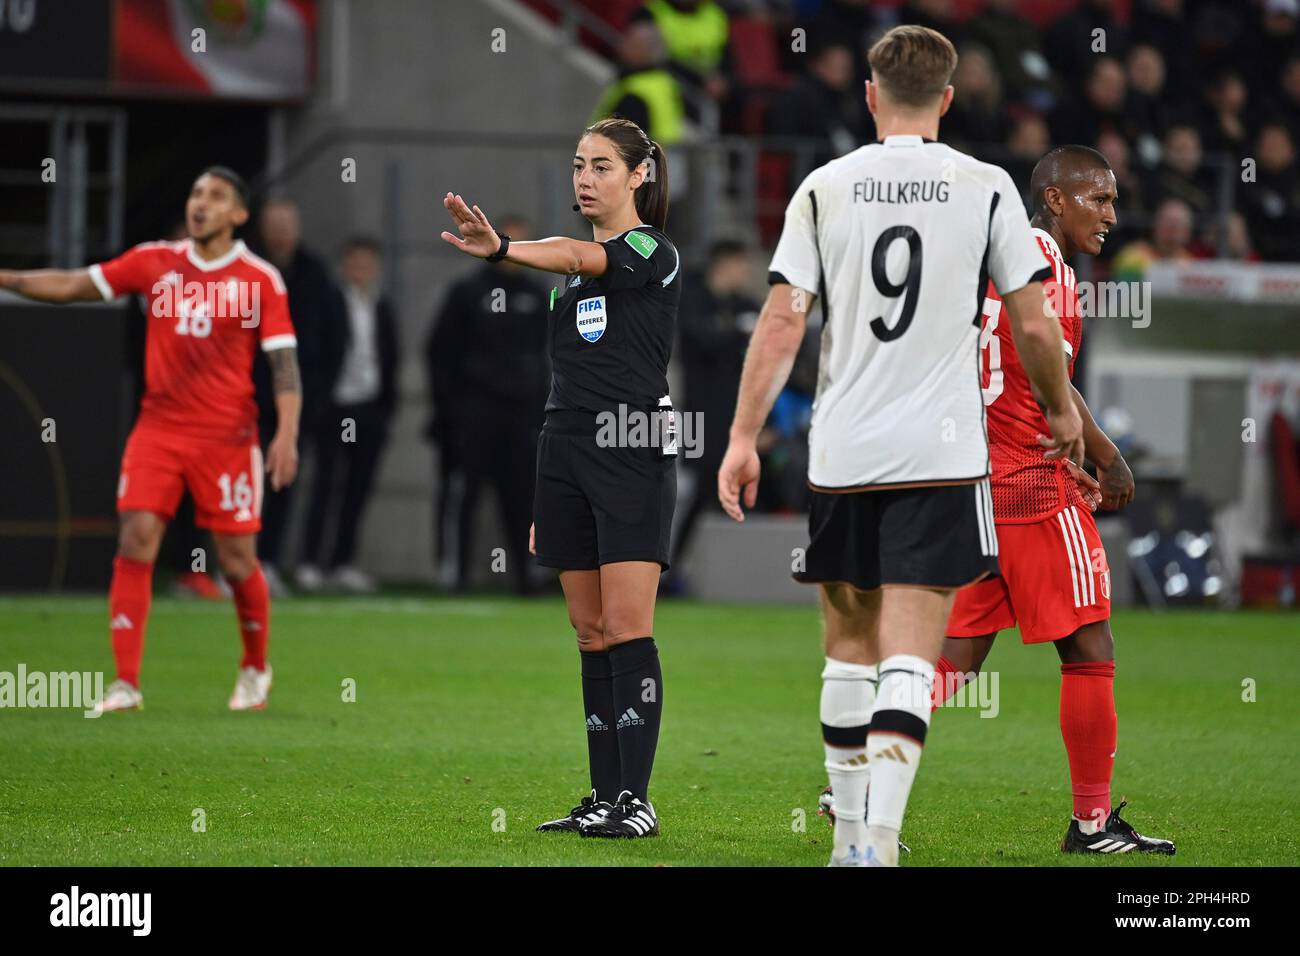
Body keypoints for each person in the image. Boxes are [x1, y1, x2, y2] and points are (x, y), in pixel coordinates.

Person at [717, 25, 1083, 867]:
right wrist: (1061, 410)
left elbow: (781, 320)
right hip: (943, 453)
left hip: (843, 449)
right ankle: (877, 843)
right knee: (911, 657)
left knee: (846, 650)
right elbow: (1031, 321)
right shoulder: (988, 187)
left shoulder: (823, 187)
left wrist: (742, 437)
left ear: (872, 95)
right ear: (948, 99)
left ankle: (846, 836)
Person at [440, 117, 680, 838]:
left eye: (603, 166)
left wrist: (506, 249)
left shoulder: (650, 250)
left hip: (630, 444)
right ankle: (605, 795)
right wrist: (553, 475)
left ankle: (637, 799)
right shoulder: (568, 278)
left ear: (639, 176)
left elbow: (580, 254)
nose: (585, 178)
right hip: (566, 443)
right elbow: (574, 299)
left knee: (629, 626)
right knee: (589, 630)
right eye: (579, 164)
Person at [935, 145, 1175, 855]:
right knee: (1089, 646)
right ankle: (1094, 825)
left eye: (1114, 199)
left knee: (957, 657)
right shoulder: (1044, 263)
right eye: (1098, 198)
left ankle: (854, 777)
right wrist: (1105, 454)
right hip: (1035, 486)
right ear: (1056, 200)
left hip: (983, 484)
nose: (1112, 213)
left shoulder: (1005, 262)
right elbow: (1049, 377)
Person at [0, 167, 300, 712]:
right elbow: (71, 286)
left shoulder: (259, 280)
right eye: (195, 193)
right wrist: (9, 279)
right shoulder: (154, 262)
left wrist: (287, 433)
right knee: (136, 537)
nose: (200, 204)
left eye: (215, 196)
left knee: (235, 562)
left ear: (238, 214)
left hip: (227, 437)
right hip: (159, 429)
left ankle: (255, 668)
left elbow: (283, 364)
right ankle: (126, 683)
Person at [425, 217, 549, 594]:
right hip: (474, 414)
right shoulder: (467, 291)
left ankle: (528, 575)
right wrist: (450, 410)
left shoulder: (538, 293)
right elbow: (439, 352)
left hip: (522, 416)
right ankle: (454, 571)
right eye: (508, 241)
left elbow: (546, 356)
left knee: (522, 496)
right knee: (463, 493)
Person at [252, 198, 347, 595]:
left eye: (287, 223)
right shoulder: (247, 270)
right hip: (248, 400)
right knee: (244, 483)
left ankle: (268, 561)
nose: (280, 231)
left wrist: (318, 394)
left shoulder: (315, 274)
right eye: (274, 223)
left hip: (298, 400)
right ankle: (230, 563)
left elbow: (333, 340)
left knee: (282, 482)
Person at [295, 237, 399, 593]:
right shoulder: (329, 302)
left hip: (368, 408)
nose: (361, 270)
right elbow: (316, 352)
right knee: (325, 484)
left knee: (358, 489)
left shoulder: (381, 305)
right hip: (336, 409)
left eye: (367, 264)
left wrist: (385, 409)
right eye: (355, 263)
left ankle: (343, 562)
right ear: (345, 266)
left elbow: (390, 358)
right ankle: (310, 561)